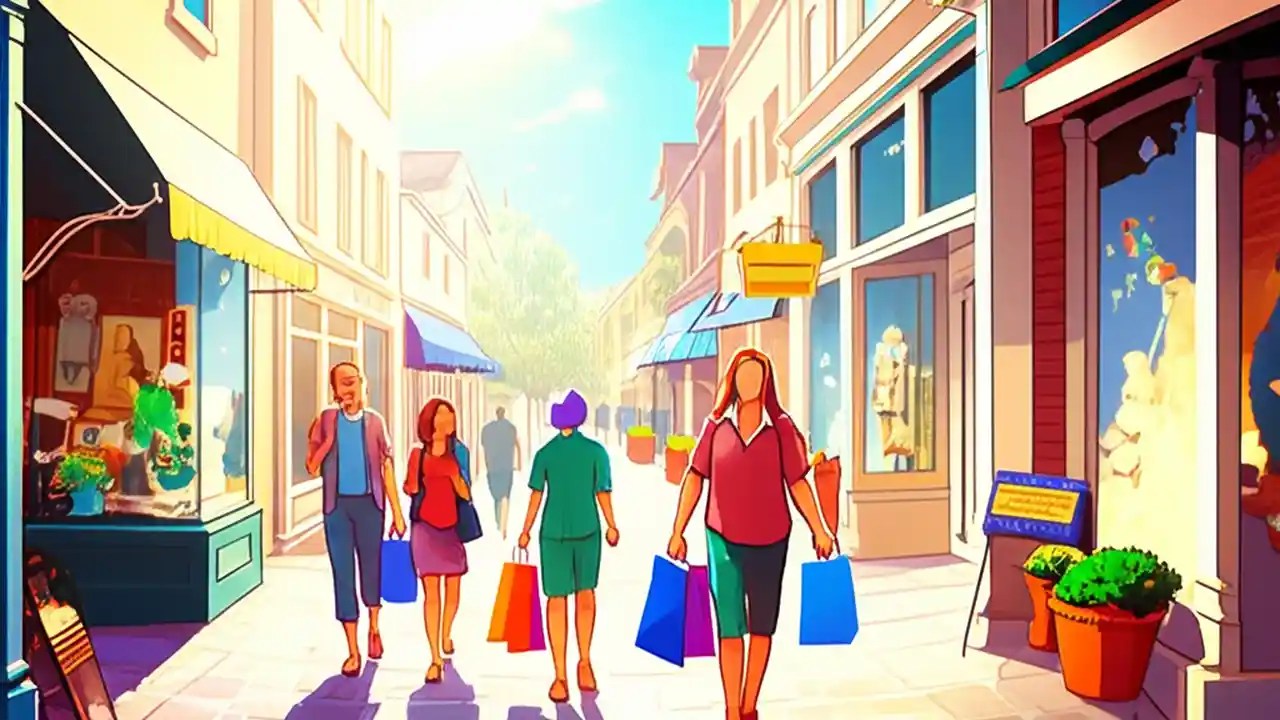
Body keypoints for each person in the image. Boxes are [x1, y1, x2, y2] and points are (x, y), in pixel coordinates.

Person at [667, 347, 839, 720]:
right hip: (722, 538)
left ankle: (749, 706)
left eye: (756, 376)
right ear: (732, 381)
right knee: (729, 625)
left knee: (762, 626)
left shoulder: (781, 429)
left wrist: (819, 529)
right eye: (742, 375)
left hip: (771, 540)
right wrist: (677, 530)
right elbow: (694, 478)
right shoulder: (715, 426)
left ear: (766, 383)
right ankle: (731, 709)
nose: (748, 383)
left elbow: (798, 483)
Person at [517, 389, 619, 704]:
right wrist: (525, 529)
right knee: (565, 600)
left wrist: (613, 523)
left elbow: (602, 492)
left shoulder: (590, 452)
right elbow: (536, 495)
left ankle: (577, 665)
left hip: (580, 533)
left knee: (573, 600)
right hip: (559, 535)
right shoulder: (551, 454)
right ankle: (565, 671)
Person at [306, 361, 406, 678]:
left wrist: (398, 512)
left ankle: (374, 626)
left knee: (372, 569)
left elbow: (387, 468)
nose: (350, 389)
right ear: (334, 391)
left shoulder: (375, 422)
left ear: (364, 384)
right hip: (337, 509)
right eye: (343, 384)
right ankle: (352, 650)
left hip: (370, 506)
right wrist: (328, 440)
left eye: (355, 381)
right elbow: (311, 466)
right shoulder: (325, 420)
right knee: (343, 575)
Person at [404, 398, 473, 683]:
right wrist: (414, 484)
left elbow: (467, 495)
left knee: (453, 591)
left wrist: (454, 475)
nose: (448, 420)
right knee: (431, 594)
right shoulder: (417, 455)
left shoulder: (460, 453)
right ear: (430, 421)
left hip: (452, 529)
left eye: (451, 415)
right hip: (426, 530)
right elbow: (409, 487)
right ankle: (434, 658)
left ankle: (446, 631)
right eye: (442, 415)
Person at [480, 406, 521, 539]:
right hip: (506, 467)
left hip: (493, 467)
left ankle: (500, 522)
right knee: (505, 496)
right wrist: (518, 463)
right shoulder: (511, 428)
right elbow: (517, 445)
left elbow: (484, 447)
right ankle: (502, 522)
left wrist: (486, 462)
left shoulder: (487, 429)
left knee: (496, 495)